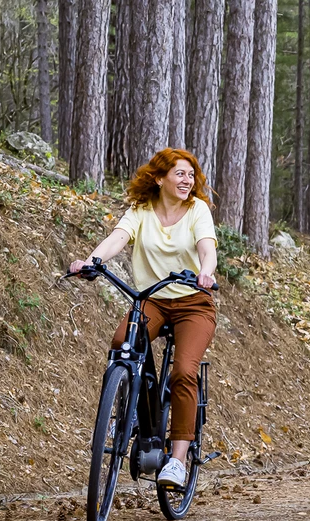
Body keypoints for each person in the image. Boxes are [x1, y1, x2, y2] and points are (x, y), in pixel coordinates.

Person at [69, 148, 218, 490]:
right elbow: (116, 239)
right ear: (160, 178)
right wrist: (91, 262)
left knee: (184, 371)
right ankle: (134, 409)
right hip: (152, 300)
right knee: (122, 343)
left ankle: (177, 461)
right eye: (180, 174)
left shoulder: (197, 210)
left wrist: (206, 272)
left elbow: (207, 249)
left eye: (191, 175)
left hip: (193, 303)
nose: (187, 180)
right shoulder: (141, 211)